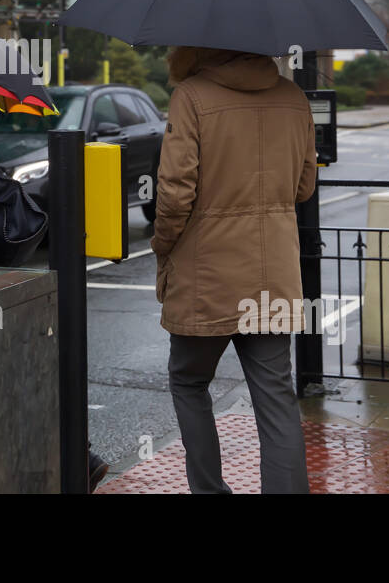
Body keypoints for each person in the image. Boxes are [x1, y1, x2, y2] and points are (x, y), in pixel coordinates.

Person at [151, 46, 316, 494]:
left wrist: (163, 245)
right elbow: (304, 186)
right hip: (274, 273)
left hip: (206, 272)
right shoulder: (294, 98)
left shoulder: (191, 96)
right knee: (276, 397)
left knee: (188, 380)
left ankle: (209, 489)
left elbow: (175, 192)